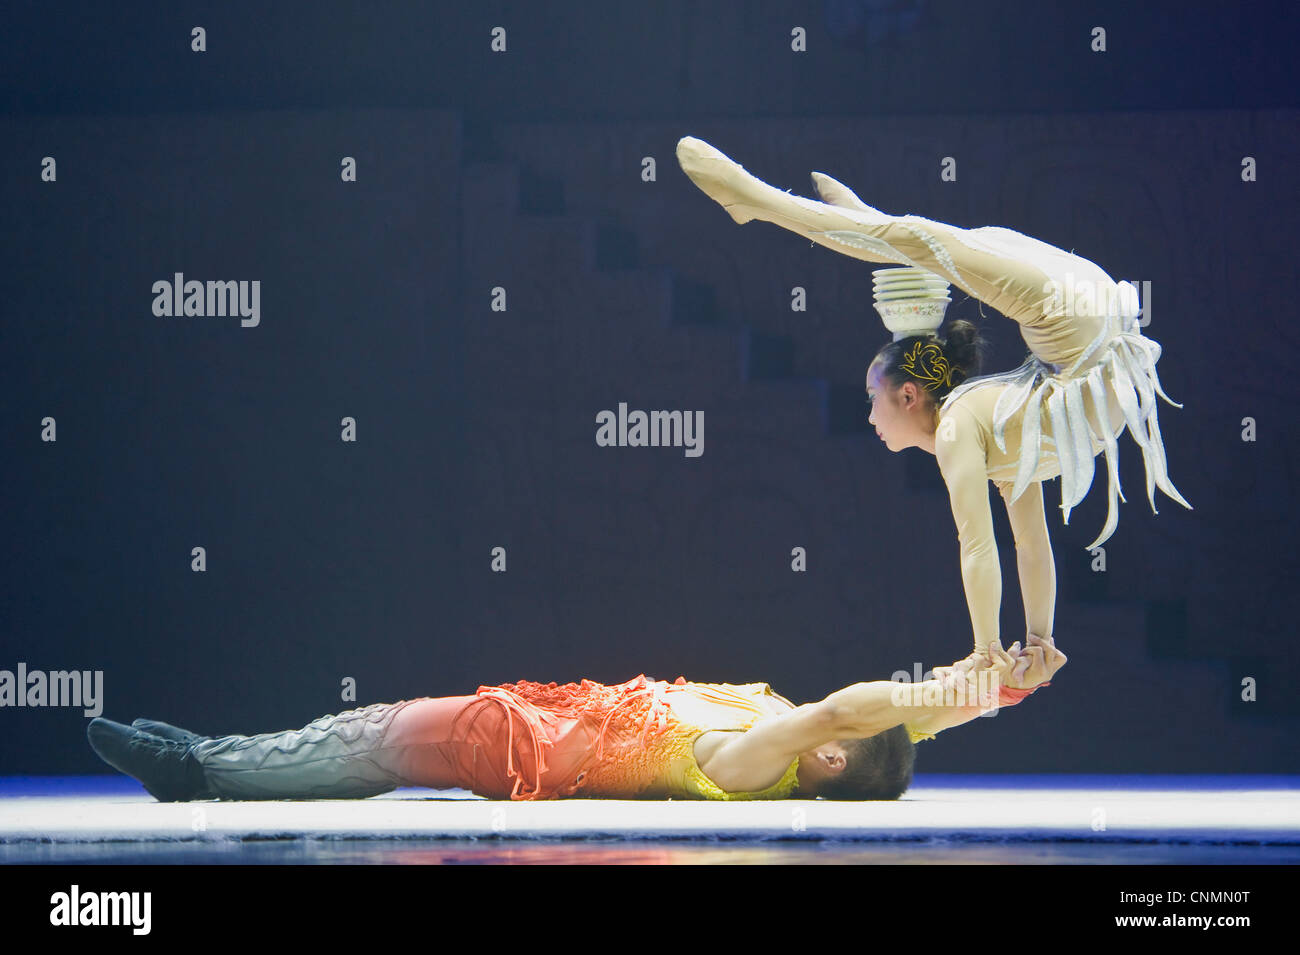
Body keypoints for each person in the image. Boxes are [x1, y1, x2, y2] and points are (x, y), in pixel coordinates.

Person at [675, 136, 1192, 655]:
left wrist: (1006, 649)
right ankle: (785, 206)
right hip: (1085, 322)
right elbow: (1009, 546)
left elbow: (1004, 548)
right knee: (931, 241)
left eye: (870, 398)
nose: (869, 416)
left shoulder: (978, 433)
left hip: (1090, 324)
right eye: (870, 398)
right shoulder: (981, 426)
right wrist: (1023, 646)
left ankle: (806, 211)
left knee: (949, 241)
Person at [87, 637, 1065, 803]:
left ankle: (195, 768)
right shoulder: (800, 736)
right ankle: (200, 755)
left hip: (515, 743)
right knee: (355, 735)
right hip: (533, 718)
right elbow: (903, 734)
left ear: (829, 754)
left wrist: (965, 684)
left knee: (360, 743)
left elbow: (852, 710)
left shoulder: (754, 760)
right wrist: (999, 688)